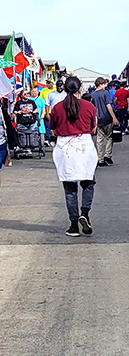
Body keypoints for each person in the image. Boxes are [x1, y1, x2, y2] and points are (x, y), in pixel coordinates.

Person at [50, 76, 98, 237]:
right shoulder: (89, 106)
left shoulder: (57, 107)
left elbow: (53, 129)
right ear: (80, 88)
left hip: (66, 149)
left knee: (70, 189)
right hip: (84, 146)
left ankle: (73, 225)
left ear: (64, 88)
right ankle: (85, 213)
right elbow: (93, 129)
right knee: (88, 182)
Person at [90, 77, 118, 166]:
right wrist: (114, 117)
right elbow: (109, 106)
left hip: (98, 118)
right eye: (104, 84)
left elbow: (93, 108)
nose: (105, 85)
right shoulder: (105, 93)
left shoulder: (92, 94)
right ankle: (108, 154)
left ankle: (100, 158)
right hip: (107, 118)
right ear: (101, 84)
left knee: (99, 139)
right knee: (109, 137)